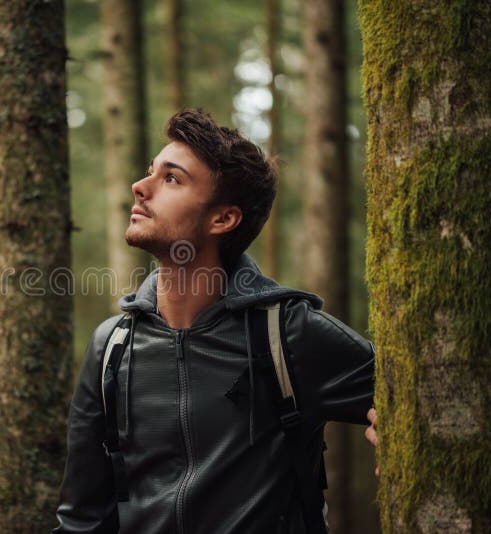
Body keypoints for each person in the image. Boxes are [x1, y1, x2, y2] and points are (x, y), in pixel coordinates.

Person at [53, 109, 375, 534]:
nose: (140, 186)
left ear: (223, 219)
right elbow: (82, 521)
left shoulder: (287, 334)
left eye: (171, 178)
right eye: (150, 171)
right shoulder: (111, 347)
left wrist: (398, 437)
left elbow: (418, 397)